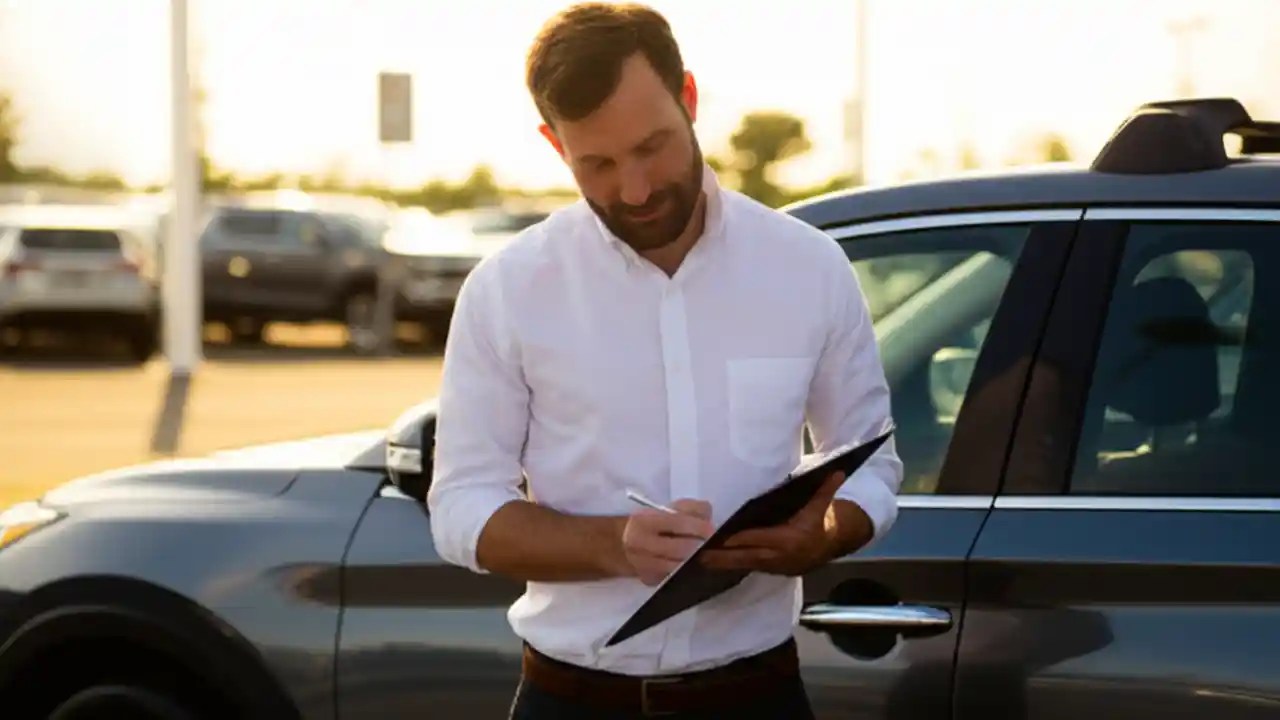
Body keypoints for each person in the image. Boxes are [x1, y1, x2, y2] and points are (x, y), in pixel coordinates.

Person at [427, 3, 903, 717]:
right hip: (570, 699)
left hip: (758, 696)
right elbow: (461, 508)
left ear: (689, 97)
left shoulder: (809, 268)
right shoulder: (508, 289)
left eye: (652, 147)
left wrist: (825, 533)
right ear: (555, 146)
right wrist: (612, 546)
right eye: (599, 164)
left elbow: (874, 469)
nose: (636, 189)